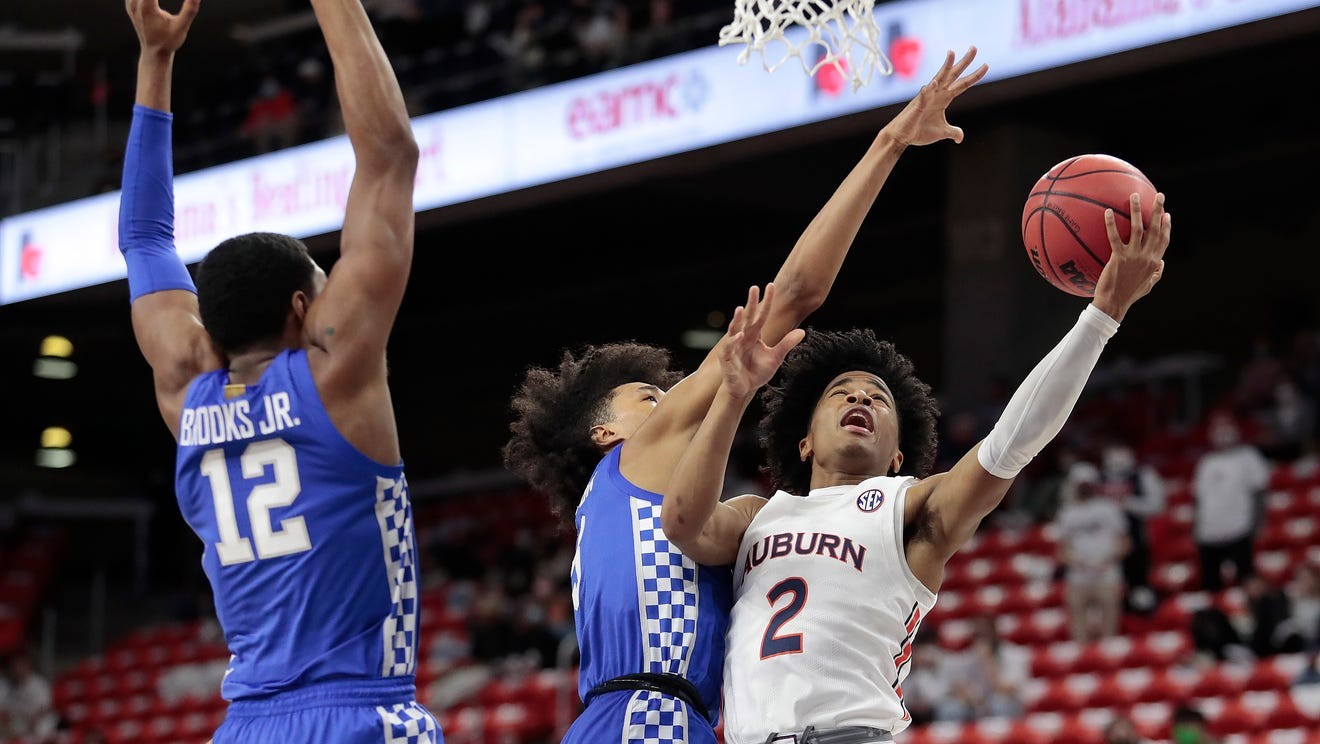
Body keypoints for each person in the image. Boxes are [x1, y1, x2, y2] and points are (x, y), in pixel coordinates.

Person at [501, 49, 989, 743]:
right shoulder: (637, 460)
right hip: (650, 717)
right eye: (647, 398)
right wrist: (889, 142)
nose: (670, 403)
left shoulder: (632, 511)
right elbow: (797, 295)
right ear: (605, 433)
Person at [662, 187, 1170, 741]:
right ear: (803, 442)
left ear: (899, 456)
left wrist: (1102, 316)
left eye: (878, 399)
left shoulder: (910, 507)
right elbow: (682, 522)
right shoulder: (756, 514)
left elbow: (1011, 444)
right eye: (843, 393)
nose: (861, 400)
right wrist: (733, 396)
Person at [118, 1, 436, 741]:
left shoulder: (184, 389)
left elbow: (143, 238)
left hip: (246, 726)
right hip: (361, 711)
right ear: (302, 308)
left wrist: (155, 59)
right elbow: (389, 157)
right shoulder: (333, 378)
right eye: (325, 284)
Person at [1192, 413, 1269, 591]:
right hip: (1208, 534)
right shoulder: (1206, 462)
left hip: (1239, 529)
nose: (1223, 433)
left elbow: (1259, 492)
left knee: (1247, 581)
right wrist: (1196, 528)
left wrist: (1258, 524)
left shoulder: (1249, 456)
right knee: (1211, 585)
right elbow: (1199, 499)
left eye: (1226, 427)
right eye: (1218, 429)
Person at [1057, 462, 1130, 642]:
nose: (1084, 488)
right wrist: (1076, 563)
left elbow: (1125, 542)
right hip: (1078, 578)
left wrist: (1107, 561)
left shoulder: (1109, 508)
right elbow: (1062, 549)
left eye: (1087, 484)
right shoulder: (1067, 513)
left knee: (1109, 631)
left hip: (1107, 575)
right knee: (1078, 630)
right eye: (1081, 485)